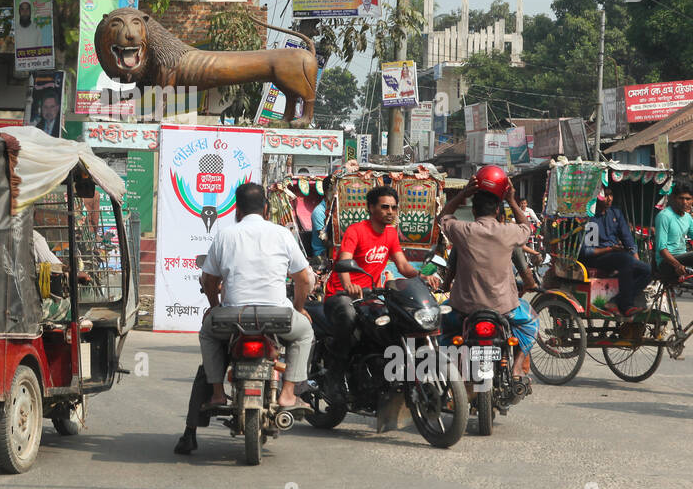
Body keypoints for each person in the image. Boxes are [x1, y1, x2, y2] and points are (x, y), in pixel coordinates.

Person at [174, 183, 315, 455]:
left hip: (232, 318)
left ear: (237, 210)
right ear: (266, 209)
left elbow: (209, 279)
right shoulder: (282, 234)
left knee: (207, 337)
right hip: (277, 316)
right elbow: (303, 278)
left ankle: (216, 393)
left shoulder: (225, 235)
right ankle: (288, 393)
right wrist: (298, 308)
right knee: (305, 333)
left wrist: (214, 307)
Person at [321, 185, 440, 383]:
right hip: (341, 295)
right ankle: (335, 371)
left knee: (397, 320)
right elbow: (344, 261)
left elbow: (402, 265)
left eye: (394, 208)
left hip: (371, 295)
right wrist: (349, 286)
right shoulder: (356, 230)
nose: (390, 212)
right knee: (349, 317)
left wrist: (422, 276)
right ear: (370, 207)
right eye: (385, 207)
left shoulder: (391, 234)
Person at [437, 167, 534, 380]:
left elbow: (443, 216)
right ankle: (517, 368)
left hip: (464, 309)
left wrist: (463, 194)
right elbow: (527, 228)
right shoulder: (509, 232)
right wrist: (512, 200)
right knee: (531, 322)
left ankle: (449, 379)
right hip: (504, 308)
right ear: (498, 208)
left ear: (473, 211)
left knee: (441, 328)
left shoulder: (462, 231)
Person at [580, 190, 651, 316]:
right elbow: (586, 251)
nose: (609, 199)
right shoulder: (587, 216)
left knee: (647, 270)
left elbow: (628, 239)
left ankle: (615, 301)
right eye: (605, 195)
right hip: (595, 258)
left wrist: (637, 260)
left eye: (611, 195)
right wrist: (610, 249)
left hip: (615, 256)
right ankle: (626, 305)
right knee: (625, 260)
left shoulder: (615, 213)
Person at [654, 182, 693, 306]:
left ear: (692, 200)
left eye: (688, 199)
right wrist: (677, 265)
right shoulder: (664, 216)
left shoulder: (688, 218)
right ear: (673, 198)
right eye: (681, 198)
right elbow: (662, 249)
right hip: (667, 263)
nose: (684, 202)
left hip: (683, 259)